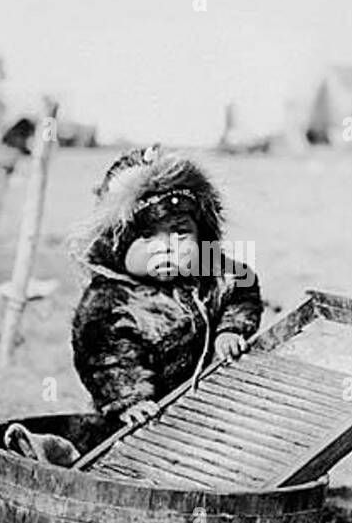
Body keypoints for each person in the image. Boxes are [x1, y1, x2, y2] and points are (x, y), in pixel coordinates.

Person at [70, 145, 262, 426]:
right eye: (147, 235)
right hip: (145, 418)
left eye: (181, 232)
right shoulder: (109, 300)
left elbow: (242, 289)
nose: (166, 247)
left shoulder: (212, 271)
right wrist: (130, 400)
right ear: (118, 244)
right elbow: (105, 359)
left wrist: (230, 330)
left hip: (211, 403)